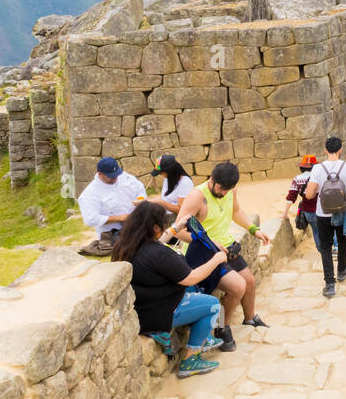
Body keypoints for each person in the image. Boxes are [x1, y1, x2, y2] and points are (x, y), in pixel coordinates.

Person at [113, 201, 226, 378]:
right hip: (158, 314)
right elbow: (193, 277)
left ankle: (203, 337)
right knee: (212, 305)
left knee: (190, 290)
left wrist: (176, 227)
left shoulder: (127, 245)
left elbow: (155, 241)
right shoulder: (160, 254)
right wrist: (217, 259)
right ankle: (191, 360)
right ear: (156, 228)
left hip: (142, 306)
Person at [167, 162, 270, 351]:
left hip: (227, 247)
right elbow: (177, 231)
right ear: (212, 180)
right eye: (222, 189)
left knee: (249, 281)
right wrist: (208, 243)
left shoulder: (230, 190)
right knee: (237, 287)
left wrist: (253, 229)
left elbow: (236, 211)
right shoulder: (196, 197)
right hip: (205, 253)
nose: (224, 194)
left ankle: (249, 318)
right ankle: (222, 326)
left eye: (228, 190)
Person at [303, 136, 346, 298]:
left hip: (323, 213)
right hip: (342, 211)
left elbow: (308, 195)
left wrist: (317, 190)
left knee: (326, 247)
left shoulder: (317, 169)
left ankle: (329, 284)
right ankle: (342, 270)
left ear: (325, 150)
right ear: (341, 149)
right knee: (343, 241)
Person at [78, 157, 148, 256]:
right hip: (111, 233)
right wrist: (119, 218)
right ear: (100, 174)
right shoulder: (90, 194)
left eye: (117, 174)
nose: (115, 178)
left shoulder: (125, 177)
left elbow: (139, 189)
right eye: (111, 176)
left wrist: (140, 200)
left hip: (136, 223)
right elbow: (90, 219)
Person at [283, 155, 324, 255]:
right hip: (323, 210)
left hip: (309, 211)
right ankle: (334, 248)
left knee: (316, 231)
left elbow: (291, 198)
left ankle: (321, 251)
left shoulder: (297, 179)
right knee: (330, 229)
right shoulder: (321, 177)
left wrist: (284, 213)